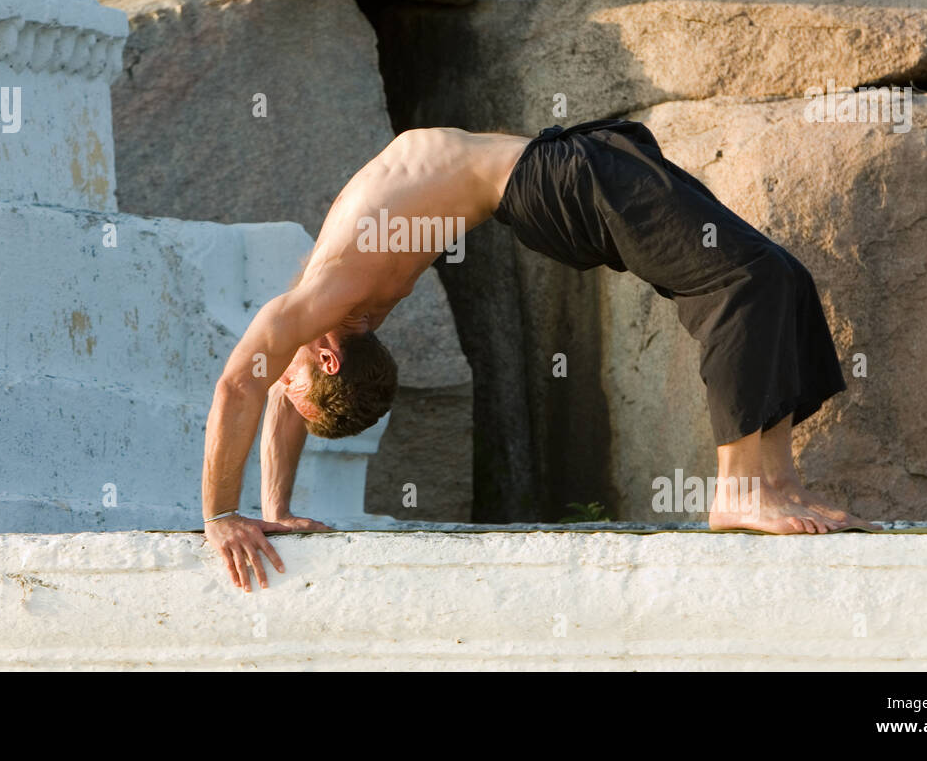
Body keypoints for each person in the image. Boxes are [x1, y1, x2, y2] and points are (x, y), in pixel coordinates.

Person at [203, 120, 876, 592]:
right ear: (327, 359)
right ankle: (744, 488)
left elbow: (247, 387)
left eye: (285, 377)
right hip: (555, 177)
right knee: (744, 280)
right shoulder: (334, 300)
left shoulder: (329, 297)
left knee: (778, 275)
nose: (277, 375)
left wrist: (237, 513)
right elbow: (269, 393)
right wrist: (256, 510)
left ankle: (774, 481)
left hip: (563, 163)